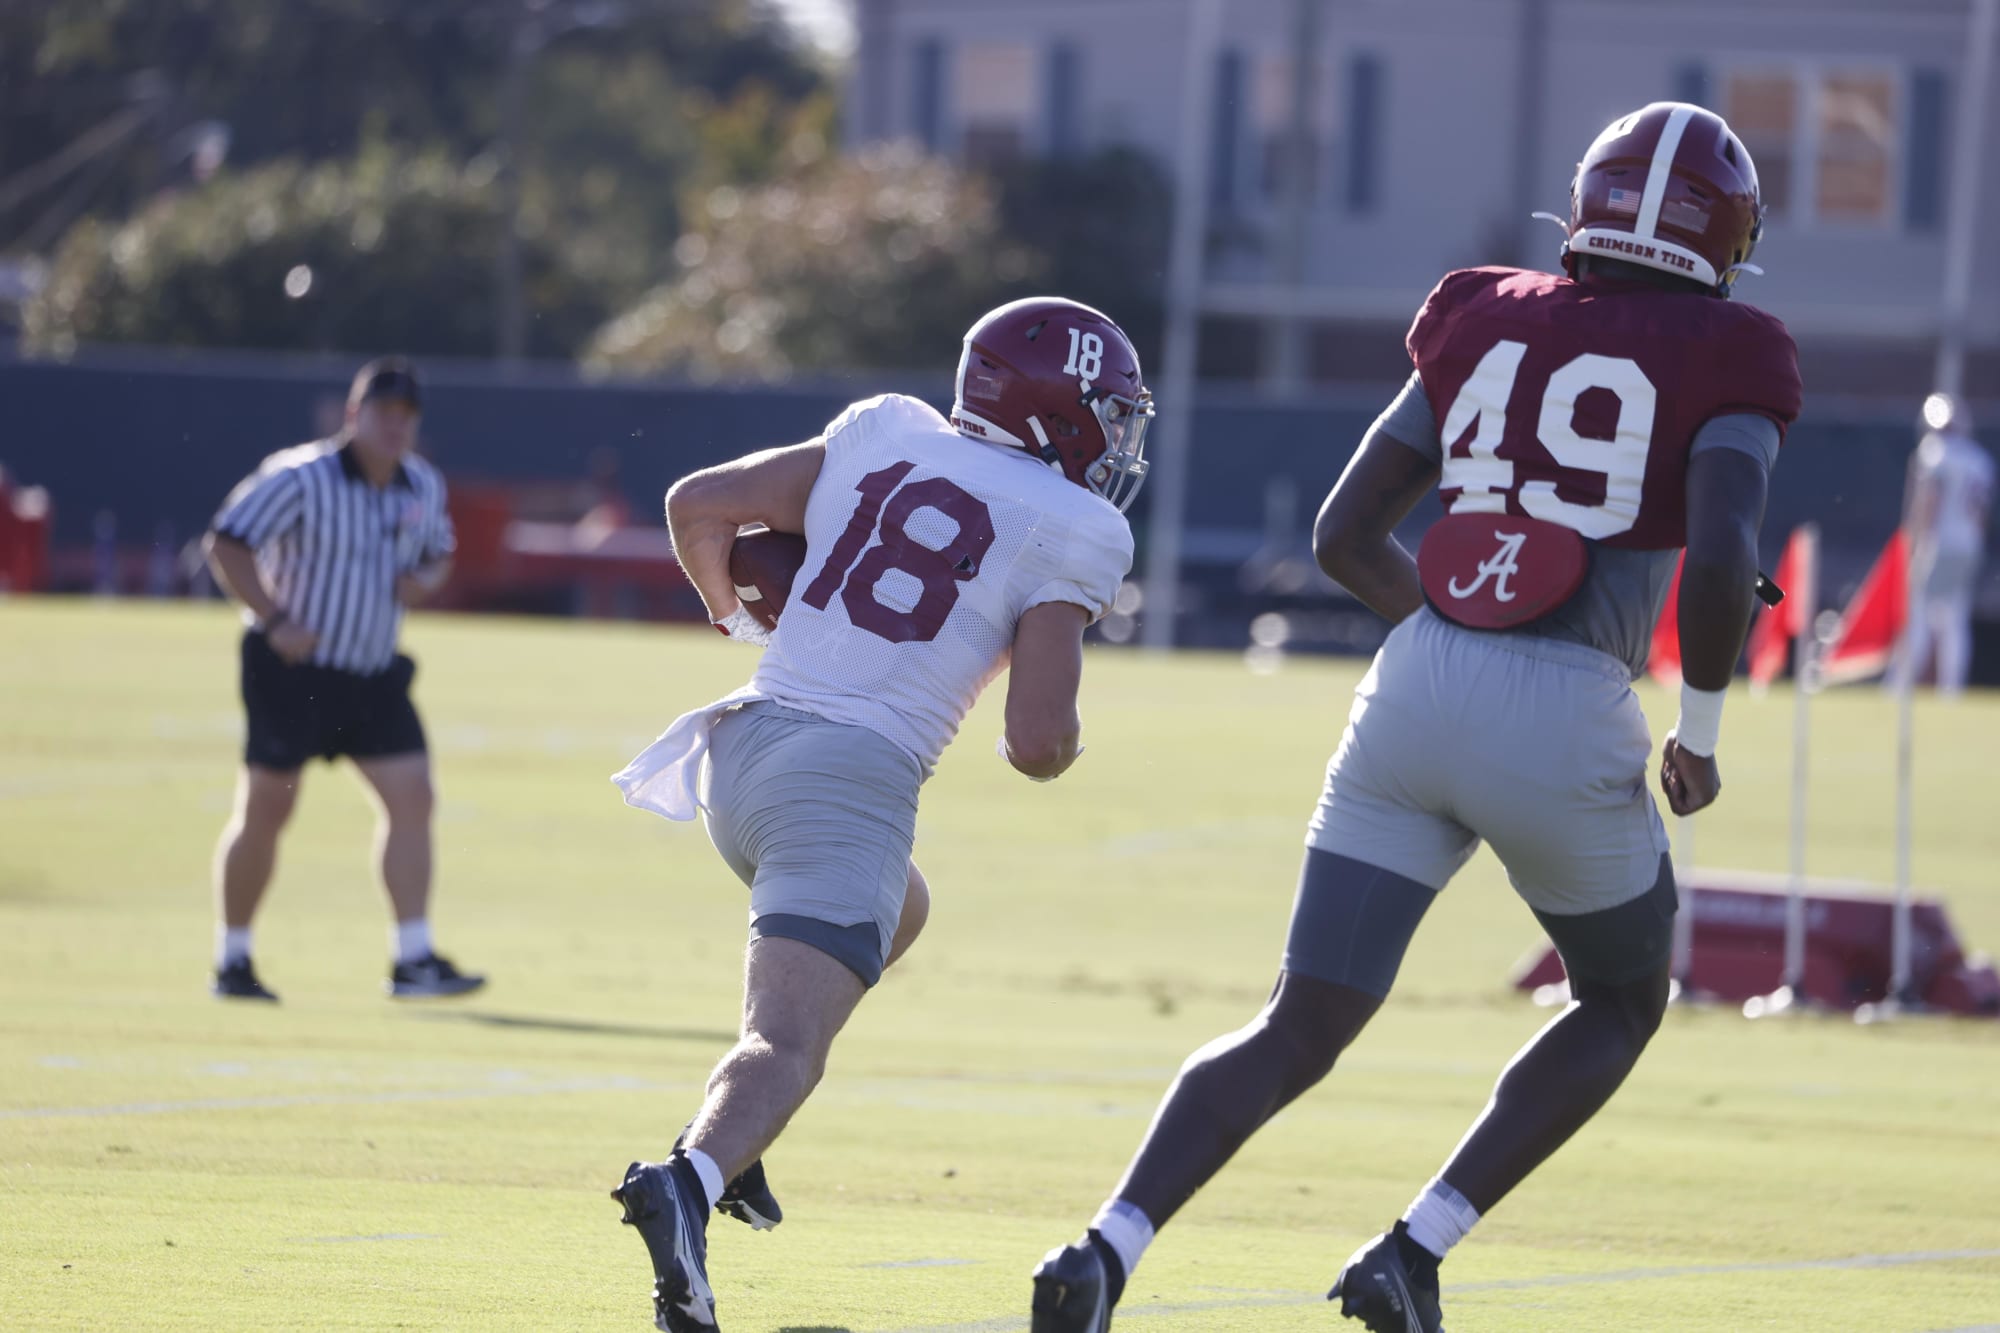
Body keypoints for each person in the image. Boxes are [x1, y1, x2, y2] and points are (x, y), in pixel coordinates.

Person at [1030, 102, 1802, 1333]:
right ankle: (1412, 1246)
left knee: (1299, 1019)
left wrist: (1455, 636)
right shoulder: (1738, 348)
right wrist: (1697, 735)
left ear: (1586, 205)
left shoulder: (1482, 310)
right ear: (1727, 238)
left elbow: (1343, 534)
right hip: (1567, 699)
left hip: (1414, 680)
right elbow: (1718, 562)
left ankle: (1102, 1247)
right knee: (1618, 997)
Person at [608, 296, 1152, 1332]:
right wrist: (1058, 741)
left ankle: (734, 1144)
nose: (1119, 436)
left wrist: (734, 617)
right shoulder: (1079, 523)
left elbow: (697, 506)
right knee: (784, 1045)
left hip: (743, 745)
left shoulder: (888, 427)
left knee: (902, 905)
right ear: (1059, 410)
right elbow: (1038, 740)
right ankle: (691, 1177)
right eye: (1110, 411)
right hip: (844, 784)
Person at [203, 358, 484, 1003]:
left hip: (372, 672)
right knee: (268, 808)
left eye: (406, 415)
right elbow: (226, 543)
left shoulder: (421, 483)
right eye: (384, 413)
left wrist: (426, 580)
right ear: (354, 415)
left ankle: (413, 957)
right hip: (293, 671)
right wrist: (274, 618)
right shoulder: (300, 477)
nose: (395, 426)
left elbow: (438, 552)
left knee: (413, 798)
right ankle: (233, 959)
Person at [1894, 394, 1992, 696]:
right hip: (1970, 546)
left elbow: (1929, 502)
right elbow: (1981, 516)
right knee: (1955, 617)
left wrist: (1915, 540)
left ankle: (1900, 685)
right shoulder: (1980, 460)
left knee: (1919, 613)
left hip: (1939, 543)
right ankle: (1951, 688)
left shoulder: (1935, 454)